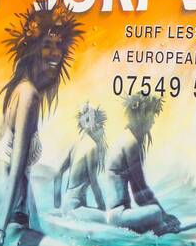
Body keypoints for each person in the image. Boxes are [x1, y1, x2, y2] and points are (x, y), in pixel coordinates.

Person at [0, 0, 99, 246]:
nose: (55, 52)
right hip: (5, 229)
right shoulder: (28, 95)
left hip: (8, 224)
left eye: (59, 46)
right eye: (47, 44)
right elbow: (16, 168)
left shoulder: (19, 91)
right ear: (32, 47)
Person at [71, 93, 183, 235]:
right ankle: (160, 227)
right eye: (151, 116)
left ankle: (155, 224)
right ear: (141, 115)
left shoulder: (125, 138)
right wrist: (164, 216)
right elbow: (140, 191)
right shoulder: (131, 143)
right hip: (119, 216)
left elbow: (138, 191)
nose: (153, 122)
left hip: (118, 214)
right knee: (155, 212)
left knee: (155, 212)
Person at [53, 102, 108, 212]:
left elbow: (58, 173)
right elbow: (94, 183)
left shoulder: (75, 144)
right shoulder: (92, 146)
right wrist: (103, 208)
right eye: (101, 127)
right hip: (76, 207)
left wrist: (57, 204)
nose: (102, 132)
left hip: (66, 205)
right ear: (95, 125)